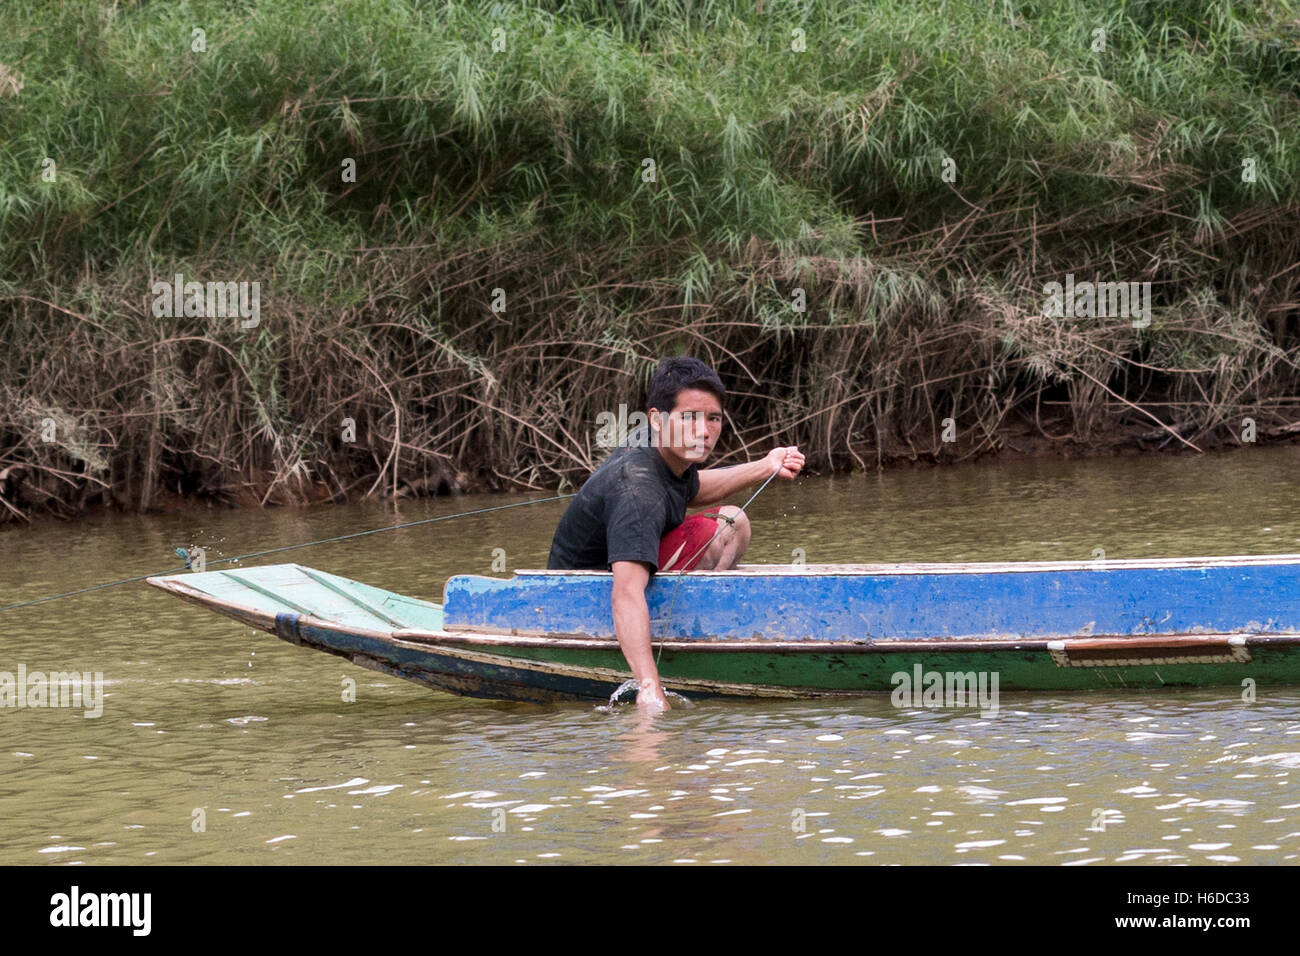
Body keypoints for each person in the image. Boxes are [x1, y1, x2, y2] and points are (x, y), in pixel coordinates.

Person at [547, 356, 804, 712]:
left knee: (733, 519)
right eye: (689, 418)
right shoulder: (638, 490)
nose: (703, 431)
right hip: (576, 601)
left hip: (616, 581)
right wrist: (649, 688)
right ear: (656, 419)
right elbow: (625, 593)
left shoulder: (664, 451)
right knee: (726, 527)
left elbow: (693, 489)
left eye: (713, 419)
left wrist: (765, 466)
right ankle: (688, 641)